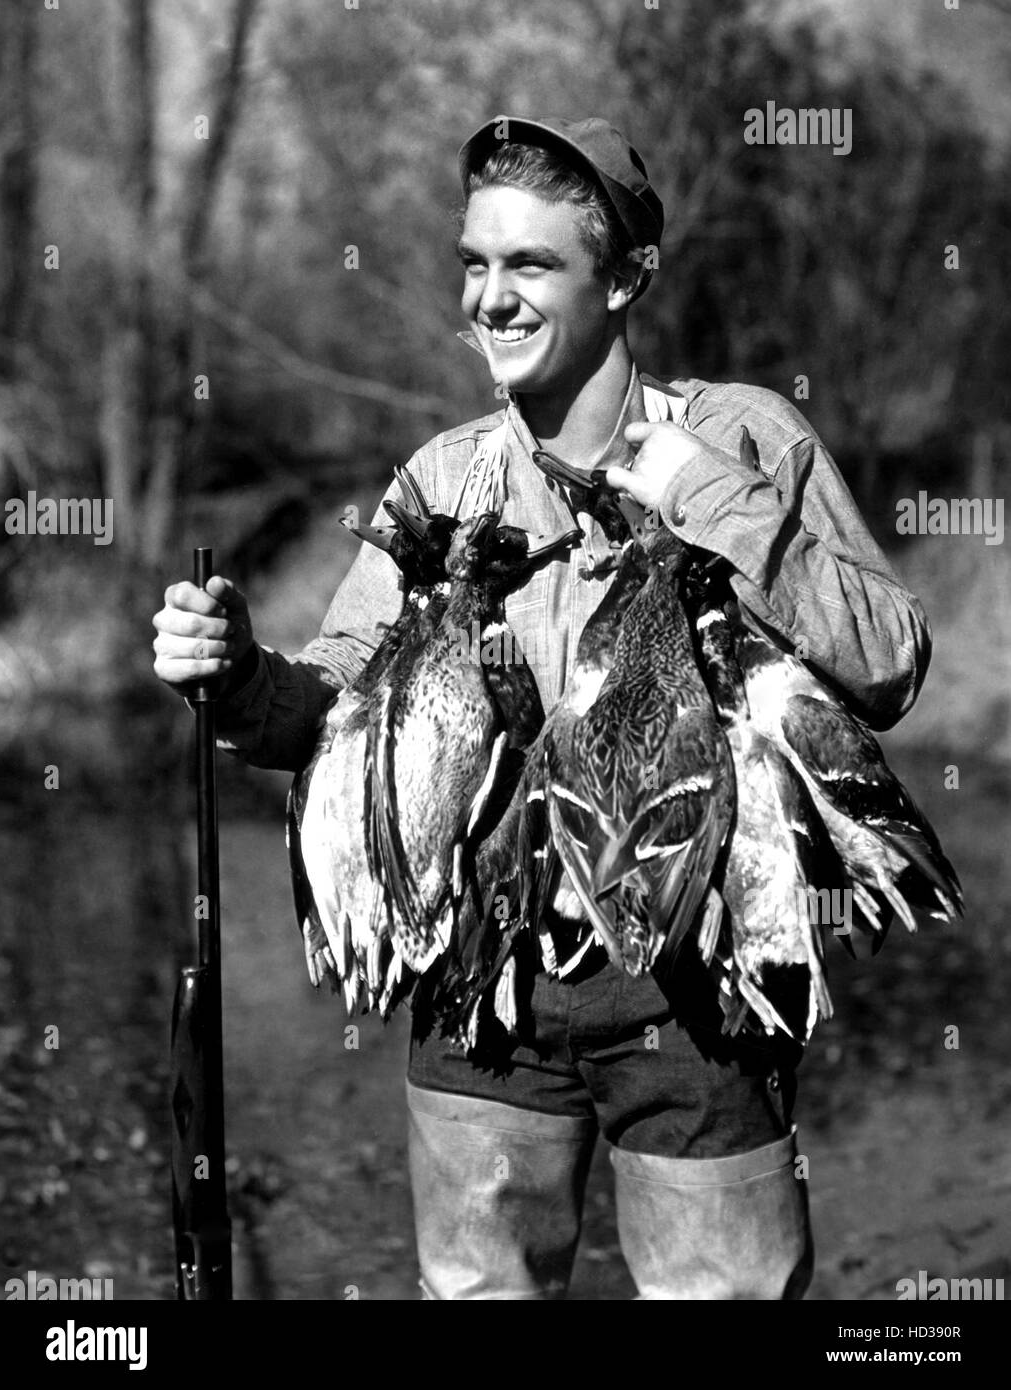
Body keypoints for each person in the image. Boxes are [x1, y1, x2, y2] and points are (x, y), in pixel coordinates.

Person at [152, 115, 932, 1300]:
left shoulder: (744, 436)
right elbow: (329, 708)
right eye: (475, 262)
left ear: (625, 278)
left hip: (703, 1005)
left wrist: (698, 490)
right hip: (481, 1001)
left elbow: (887, 658)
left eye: (530, 265)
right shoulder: (440, 482)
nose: (489, 299)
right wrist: (235, 670)